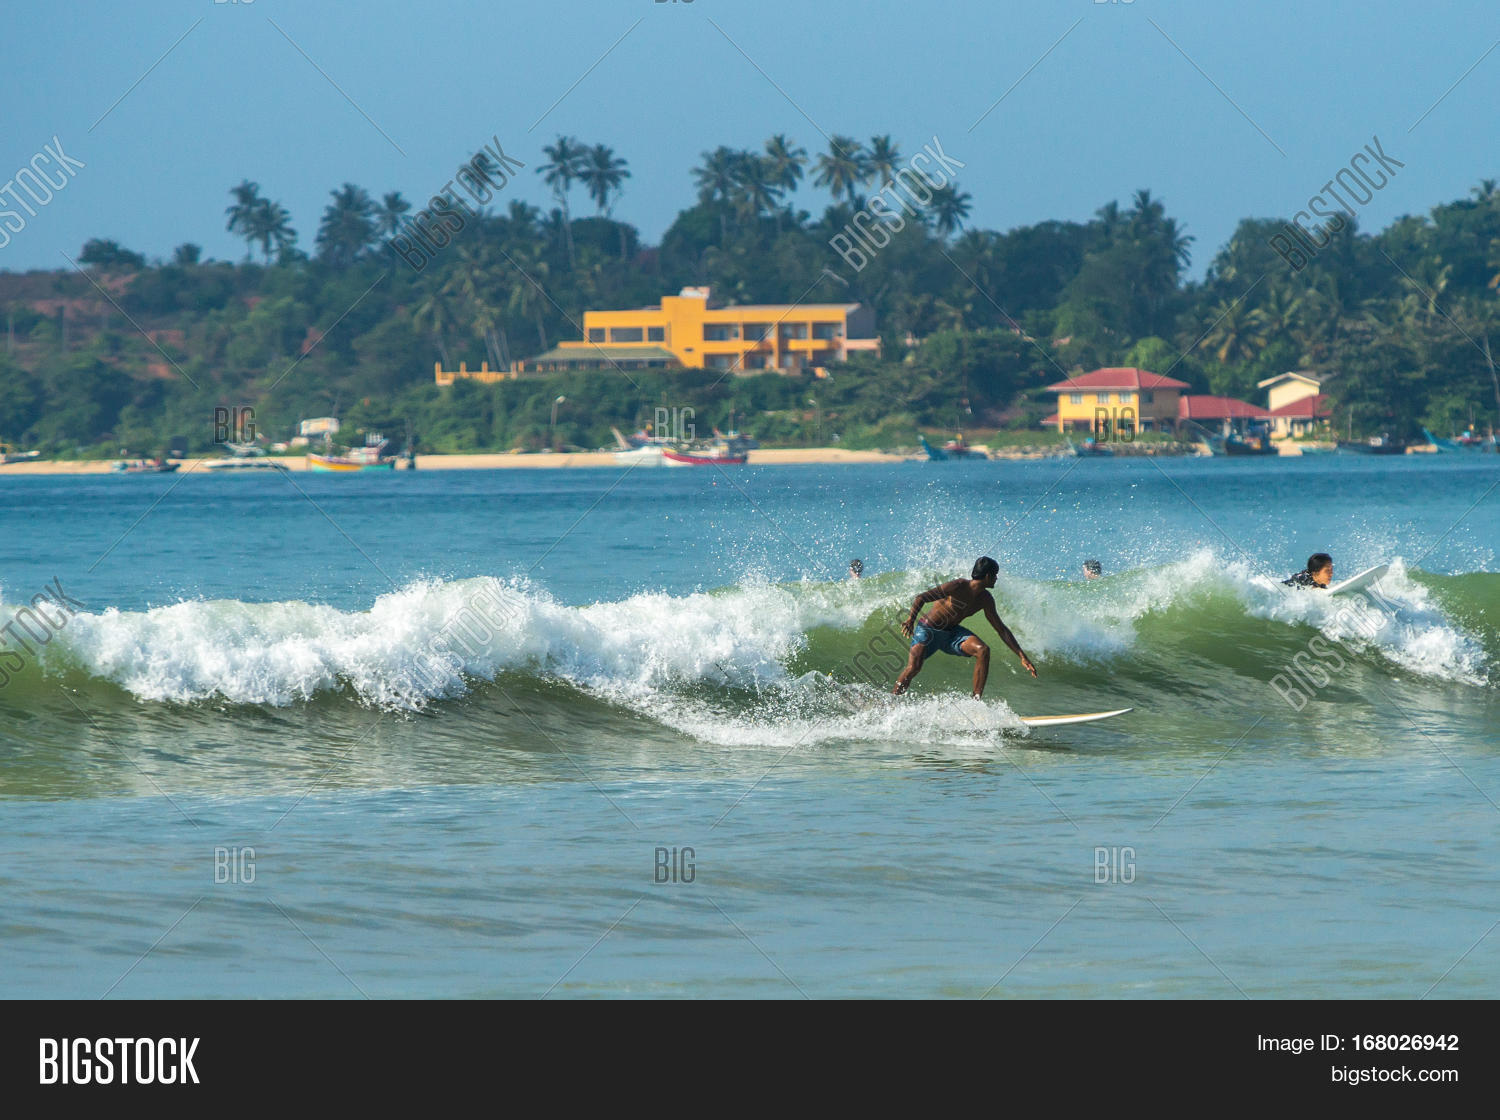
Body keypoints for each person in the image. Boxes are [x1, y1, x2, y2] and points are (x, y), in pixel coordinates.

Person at [893, 556, 1037, 699]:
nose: (996, 579)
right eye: (995, 575)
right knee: (914, 667)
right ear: (988, 576)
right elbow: (921, 597)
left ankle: (976, 700)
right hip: (927, 630)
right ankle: (893, 700)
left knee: (983, 650)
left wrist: (1022, 656)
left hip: (951, 634)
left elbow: (1001, 630)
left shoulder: (985, 599)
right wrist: (910, 620)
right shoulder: (958, 585)